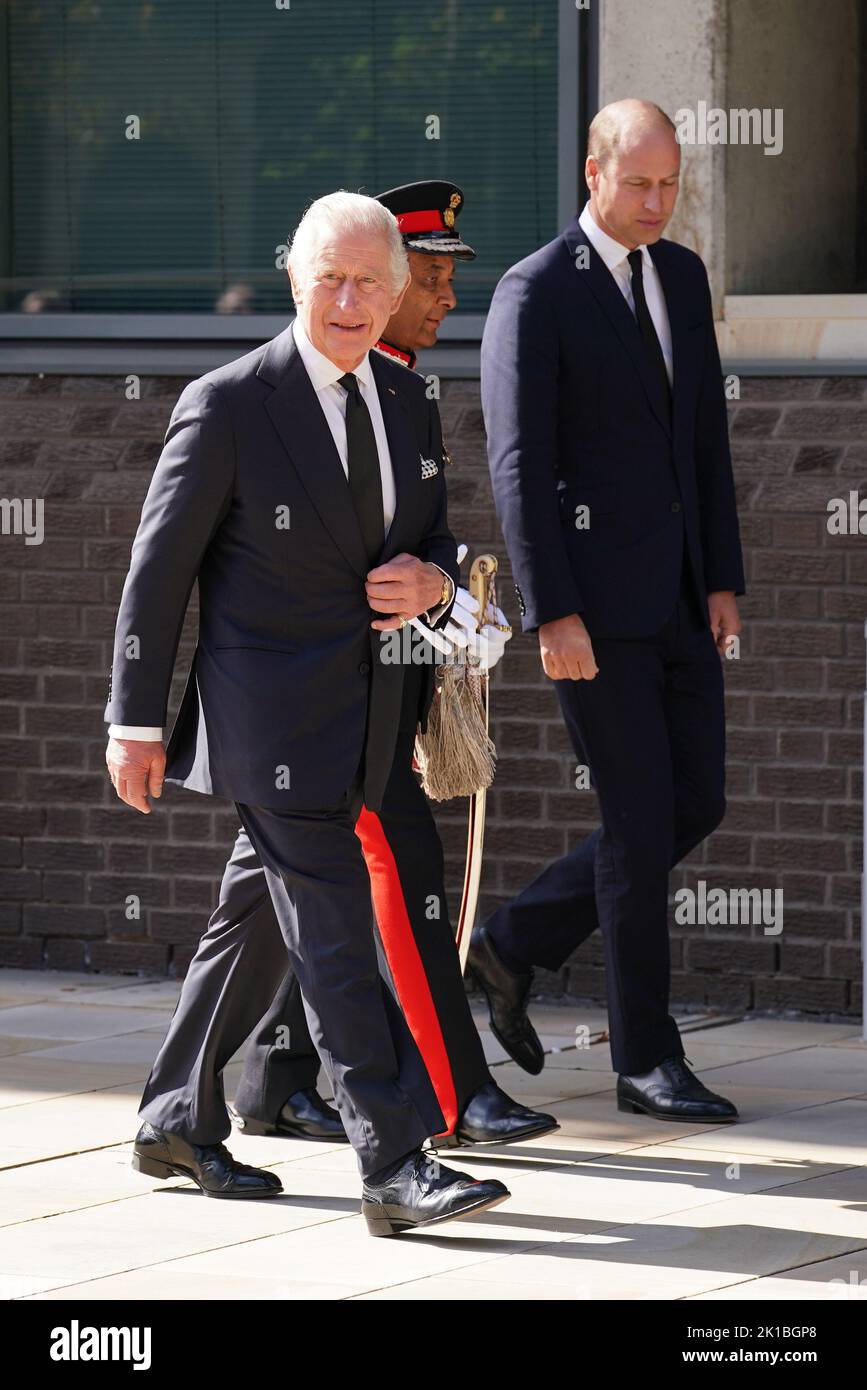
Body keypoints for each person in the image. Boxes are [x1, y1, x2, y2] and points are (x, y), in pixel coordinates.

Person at [106, 191, 513, 1236]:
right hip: (268, 723)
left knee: (256, 925)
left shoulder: (408, 399)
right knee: (331, 930)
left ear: (397, 289)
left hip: (370, 717)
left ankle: (174, 1115)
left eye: (370, 281)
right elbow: (158, 574)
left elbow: (427, 540)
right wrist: (134, 720)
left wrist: (431, 583)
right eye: (329, 278)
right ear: (294, 279)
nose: (349, 299)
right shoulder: (230, 402)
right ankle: (395, 1160)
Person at [211, 182, 553, 1157]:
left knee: (280, 906)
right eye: (432, 279)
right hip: (321, 707)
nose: (445, 298)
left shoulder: (401, 390)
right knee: (398, 880)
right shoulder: (324, 391)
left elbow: (417, 552)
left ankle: (257, 1082)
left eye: (441, 279)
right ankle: (451, 1094)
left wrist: (446, 620)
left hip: (377, 684)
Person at [471, 100, 745, 1124]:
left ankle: (510, 946)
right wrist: (553, 610)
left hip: (678, 595)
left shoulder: (679, 274)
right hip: (592, 610)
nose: (656, 203)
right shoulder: (535, 291)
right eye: (638, 184)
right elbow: (518, 465)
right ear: (593, 173)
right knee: (636, 822)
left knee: (695, 803)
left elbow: (702, 442)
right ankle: (645, 1060)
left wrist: (720, 578)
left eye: (671, 185)